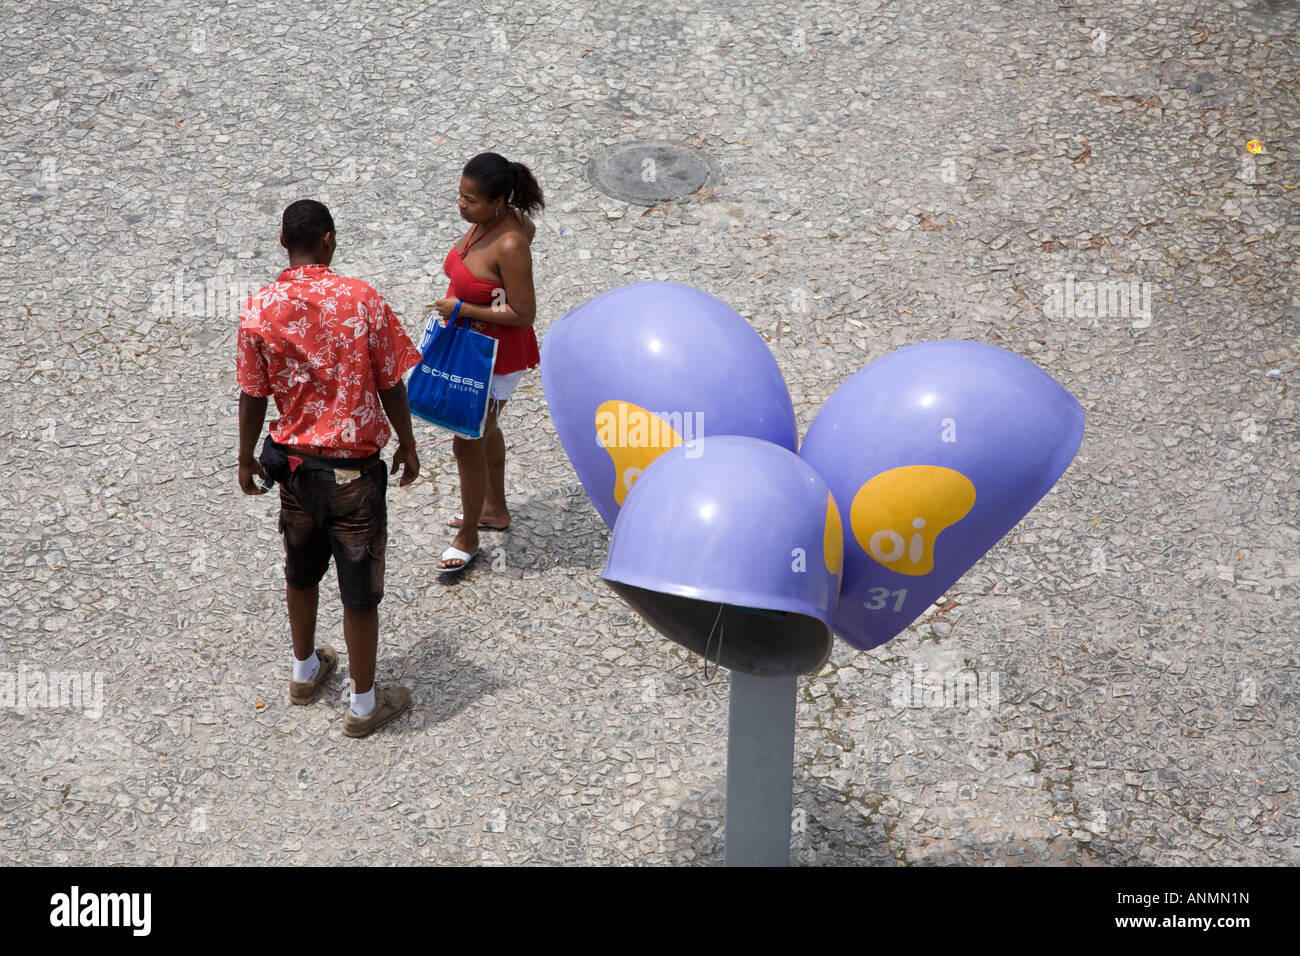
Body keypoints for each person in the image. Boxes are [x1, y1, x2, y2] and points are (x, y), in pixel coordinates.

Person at [236, 199, 423, 738]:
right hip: (354, 476)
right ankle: (363, 706)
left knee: (300, 568)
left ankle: (304, 672)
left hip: (293, 469)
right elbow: (390, 381)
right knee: (359, 590)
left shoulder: (258, 307)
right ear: (329, 240)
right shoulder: (361, 300)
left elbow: (253, 395)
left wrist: (245, 456)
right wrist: (407, 444)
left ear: (282, 243)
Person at [431, 152, 544, 572]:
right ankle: (494, 508)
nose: (462, 205)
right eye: (460, 195)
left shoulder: (510, 242)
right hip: (473, 348)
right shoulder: (496, 221)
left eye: (471, 200)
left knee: (466, 441)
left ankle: (469, 536)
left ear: (498, 203)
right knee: (485, 429)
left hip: (495, 359)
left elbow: (524, 313)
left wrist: (462, 309)